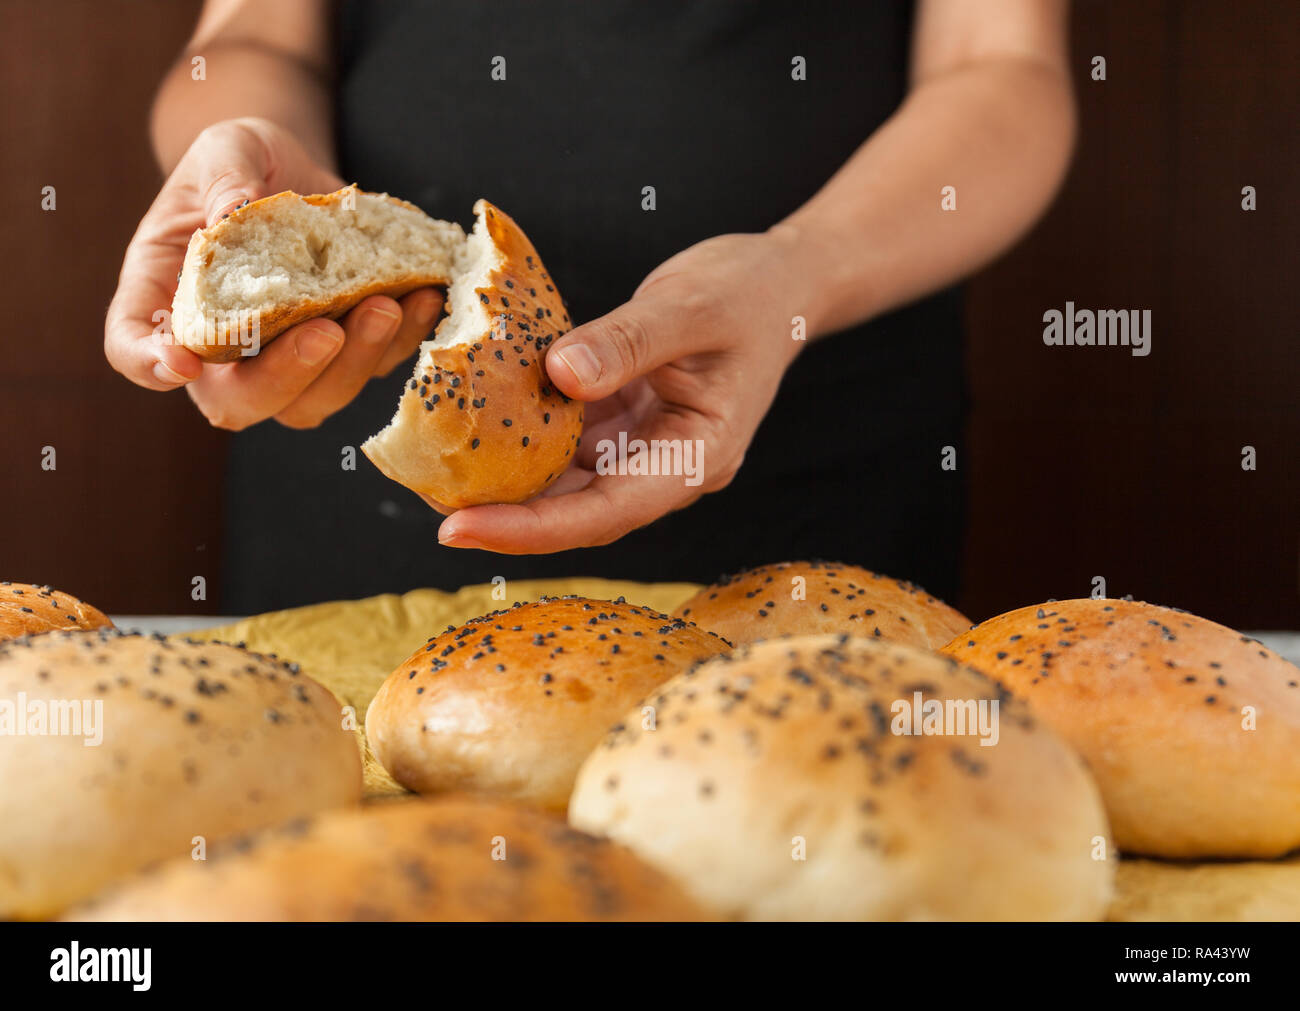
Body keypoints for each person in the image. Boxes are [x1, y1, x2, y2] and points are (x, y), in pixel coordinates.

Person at [104, 0, 1075, 613]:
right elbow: (253, 37)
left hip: (807, 454)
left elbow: (999, 63)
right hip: (355, 436)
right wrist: (258, 172)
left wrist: (799, 273)